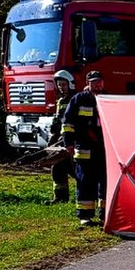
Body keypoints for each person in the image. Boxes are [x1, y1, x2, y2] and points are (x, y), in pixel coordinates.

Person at [63, 71, 107, 227]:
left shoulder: (108, 99)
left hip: (104, 148)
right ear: (88, 83)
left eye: (100, 81)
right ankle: (85, 216)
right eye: (95, 82)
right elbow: (68, 123)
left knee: (105, 182)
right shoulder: (79, 99)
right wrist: (68, 143)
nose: (98, 85)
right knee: (85, 181)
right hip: (85, 147)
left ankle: (105, 215)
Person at [47, 70, 75, 205]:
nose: (61, 88)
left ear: (70, 84)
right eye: (59, 85)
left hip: (72, 141)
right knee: (57, 167)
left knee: (75, 169)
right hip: (60, 140)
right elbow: (58, 120)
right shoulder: (60, 101)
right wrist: (53, 137)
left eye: (64, 84)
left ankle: (87, 196)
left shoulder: (76, 99)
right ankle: (60, 197)